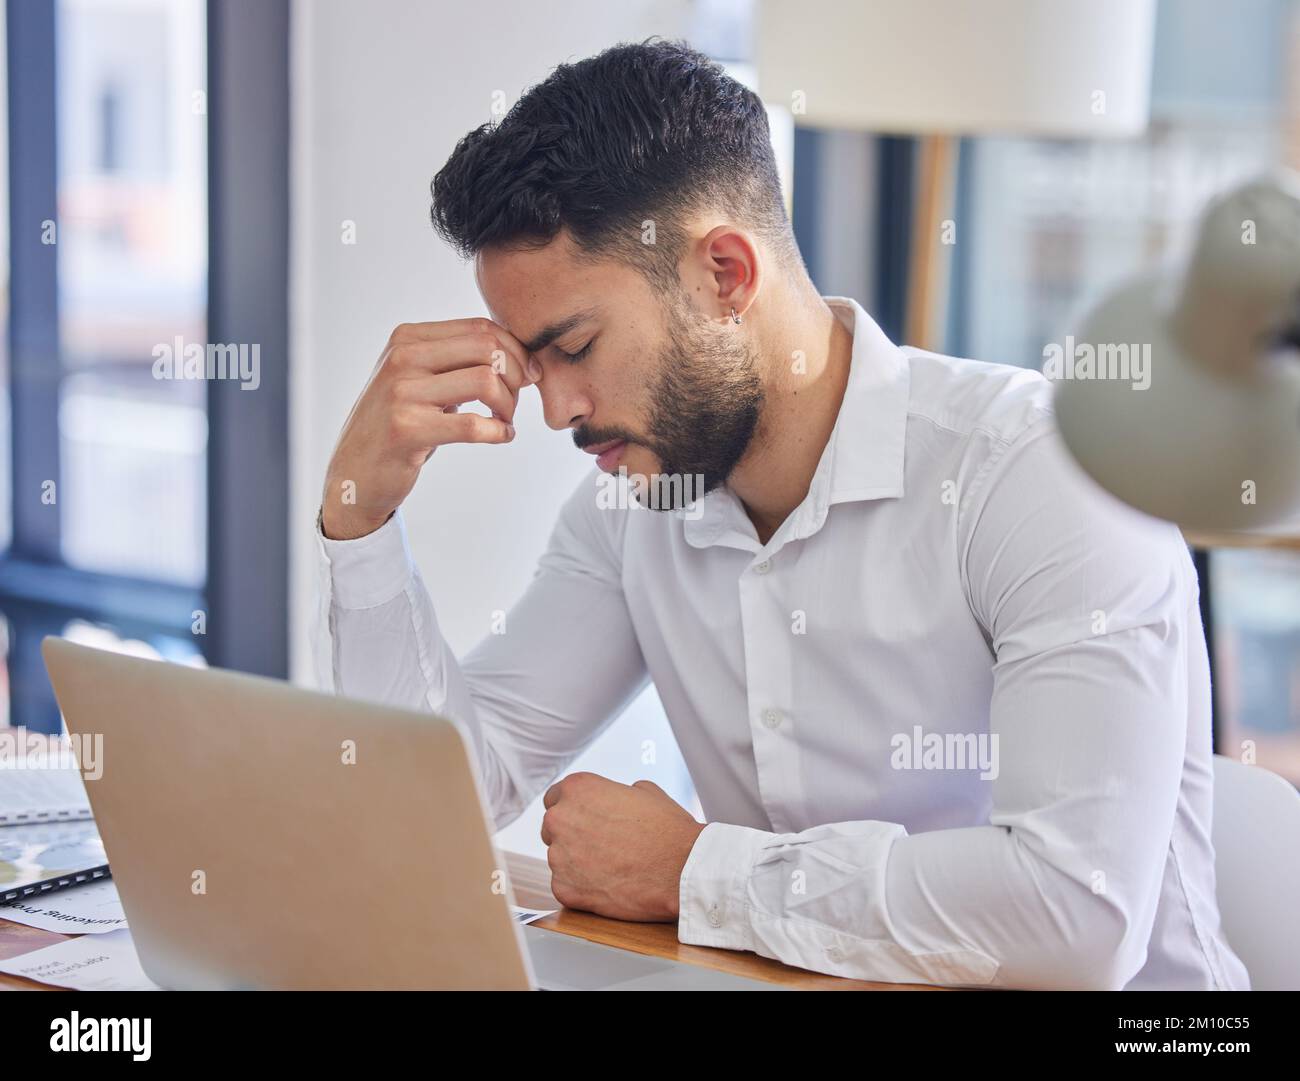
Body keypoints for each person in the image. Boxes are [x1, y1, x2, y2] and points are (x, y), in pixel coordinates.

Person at [313, 39, 1247, 990]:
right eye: (531, 362)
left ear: (724, 273)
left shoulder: (1042, 472)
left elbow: (1074, 918)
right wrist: (362, 521)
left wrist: (695, 873)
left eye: (576, 346)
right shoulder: (634, 509)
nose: (555, 409)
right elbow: (435, 802)